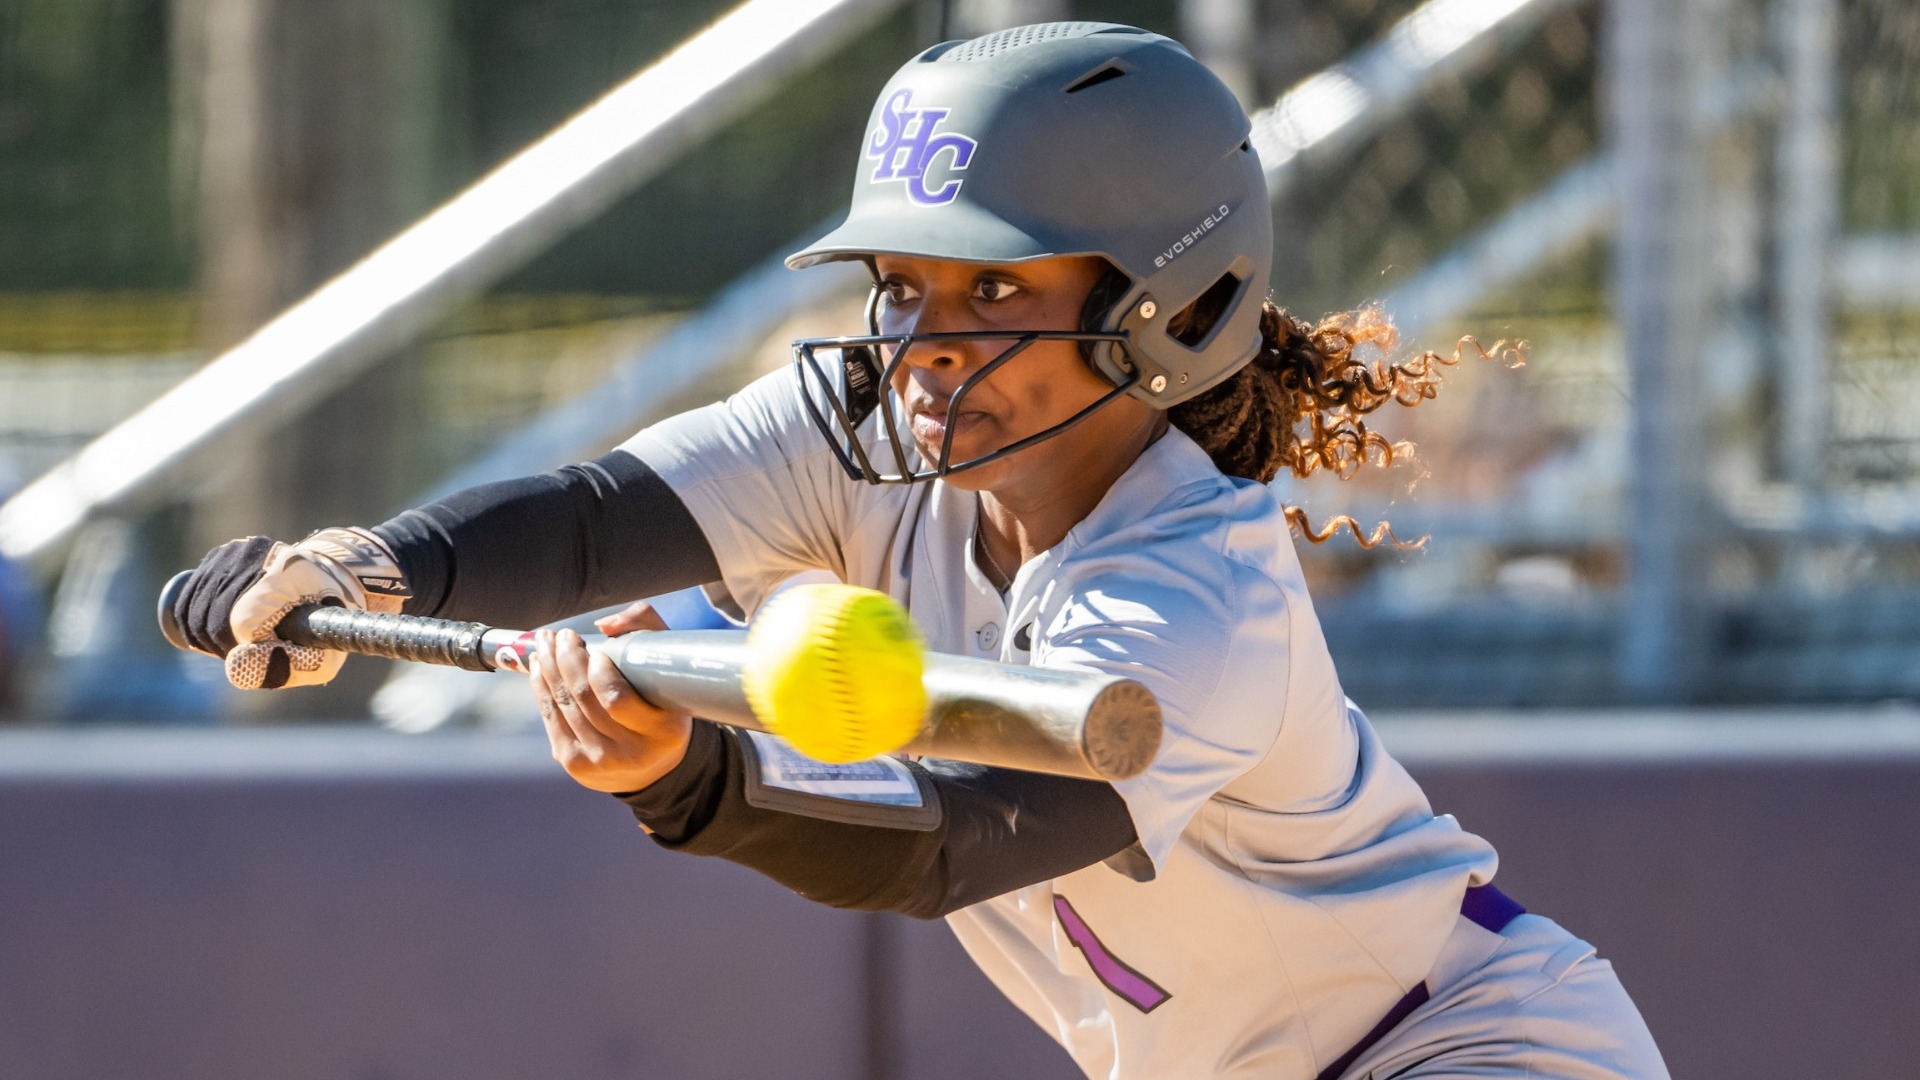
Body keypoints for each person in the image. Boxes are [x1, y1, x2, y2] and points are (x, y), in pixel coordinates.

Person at [170, 23, 1668, 1079]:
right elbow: (584, 522)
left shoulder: (1193, 590)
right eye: (902, 284)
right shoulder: (858, 445)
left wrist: (688, 784)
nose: (928, 347)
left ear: (1168, 307)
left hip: (1466, 1047)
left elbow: (961, 838)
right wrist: (361, 572)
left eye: (995, 292)